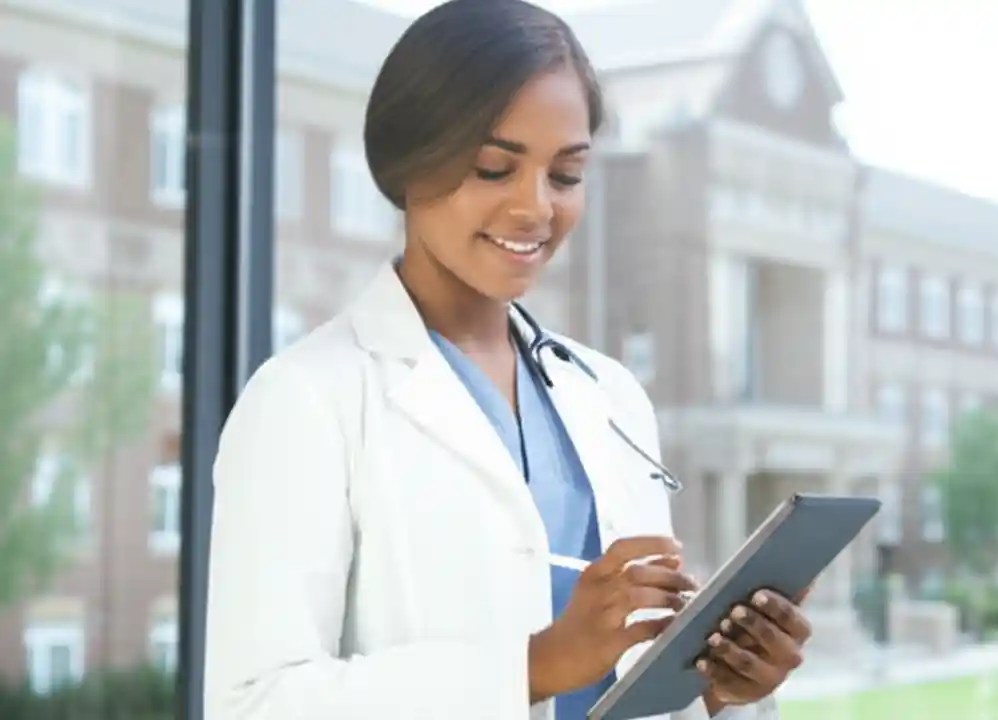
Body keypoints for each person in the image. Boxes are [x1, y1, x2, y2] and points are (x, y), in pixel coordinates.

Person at [202, 1, 812, 717]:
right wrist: (535, 666)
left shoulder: (610, 395)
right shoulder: (306, 399)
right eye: (494, 168)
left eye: (566, 175)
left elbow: (638, 681)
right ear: (407, 163)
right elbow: (255, 701)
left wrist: (722, 690)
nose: (536, 208)